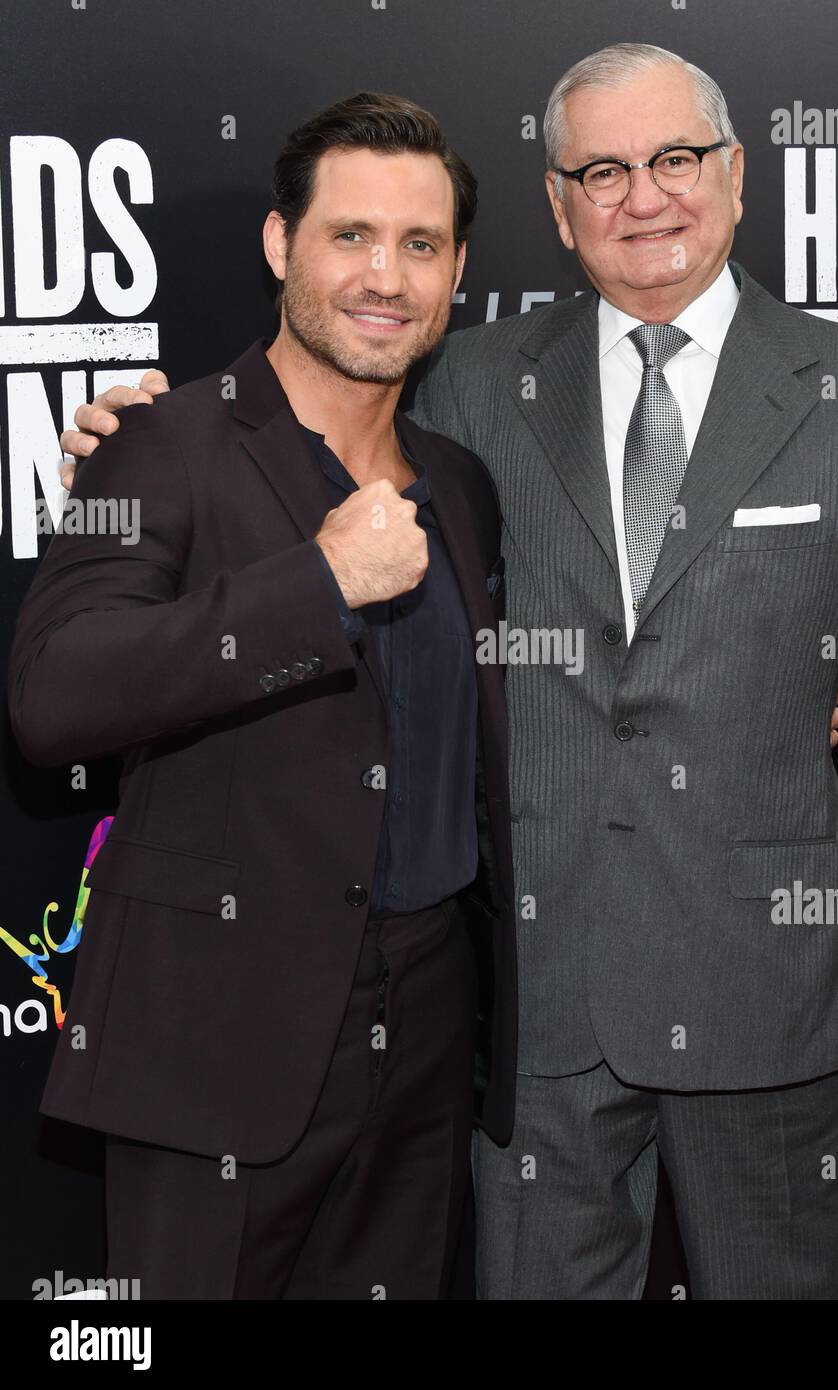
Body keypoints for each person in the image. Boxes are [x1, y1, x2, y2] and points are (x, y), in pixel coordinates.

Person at [59, 44, 838, 1301]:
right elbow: (303, 436)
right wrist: (126, 435)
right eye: (601, 170)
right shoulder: (463, 384)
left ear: (737, 177)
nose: (645, 196)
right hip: (531, 996)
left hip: (763, 986)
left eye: (677, 160)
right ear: (558, 209)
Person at [9, 92, 516, 1300]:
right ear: (282, 245)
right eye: (350, 235)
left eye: (420, 244)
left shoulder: (463, 481)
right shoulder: (156, 445)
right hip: (218, 1031)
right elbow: (53, 696)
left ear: (456, 275)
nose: (384, 275)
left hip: (433, 1019)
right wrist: (321, 583)